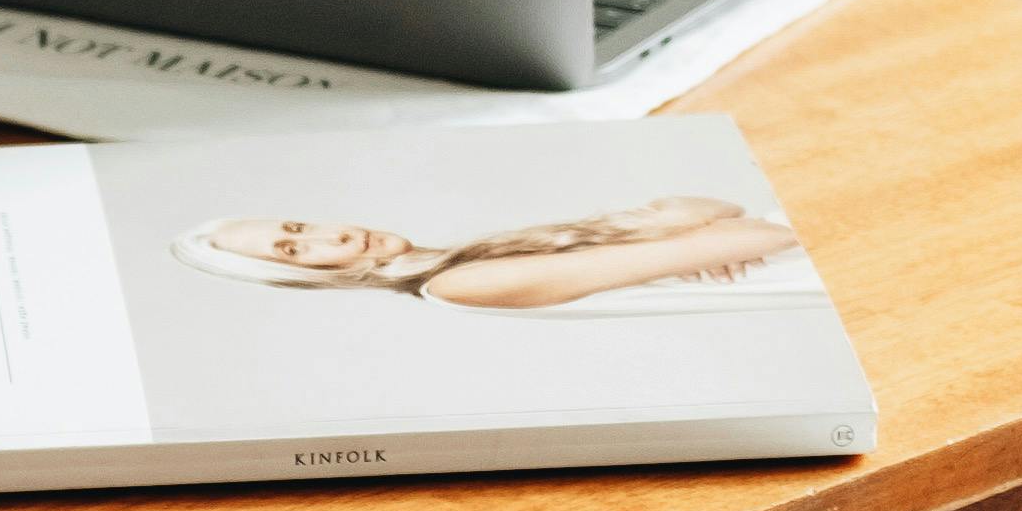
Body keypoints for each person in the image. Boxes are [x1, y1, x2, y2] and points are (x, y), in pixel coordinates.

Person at [179, 191, 795, 315]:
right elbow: (731, 231)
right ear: (305, 278)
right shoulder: (457, 285)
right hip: (800, 260)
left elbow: (715, 207)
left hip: (787, 249)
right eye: (294, 250)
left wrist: (680, 229)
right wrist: (684, 236)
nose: (331, 236)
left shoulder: (463, 256)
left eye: (299, 224)